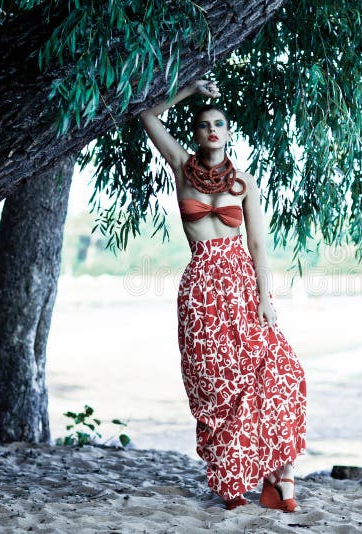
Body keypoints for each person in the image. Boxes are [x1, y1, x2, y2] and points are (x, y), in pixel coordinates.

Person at [139, 80, 307, 511]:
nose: (211, 129)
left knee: (279, 371)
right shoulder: (180, 167)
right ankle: (231, 484)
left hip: (240, 285)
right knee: (216, 385)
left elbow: (258, 246)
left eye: (219, 124)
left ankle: (281, 479)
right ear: (195, 134)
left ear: (229, 133)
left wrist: (265, 298)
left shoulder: (244, 183)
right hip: (200, 287)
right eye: (204, 124)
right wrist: (190, 90)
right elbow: (146, 116)